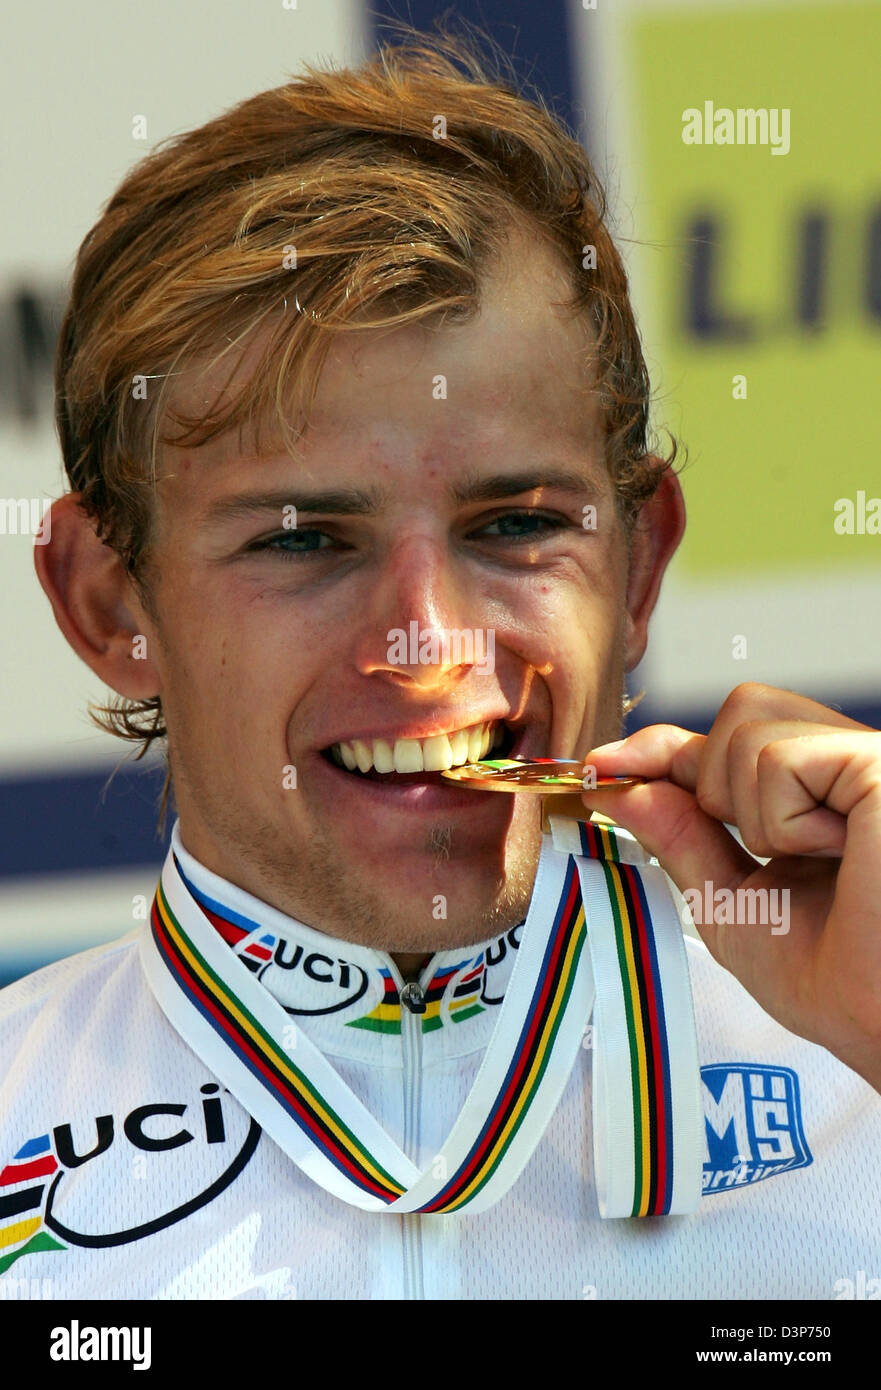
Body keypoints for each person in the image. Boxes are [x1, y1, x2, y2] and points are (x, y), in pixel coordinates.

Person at [2, 29, 879, 1300]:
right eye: (303, 539)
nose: (427, 643)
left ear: (637, 570)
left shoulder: (853, 1060)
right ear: (106, 598)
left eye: (515, 525)